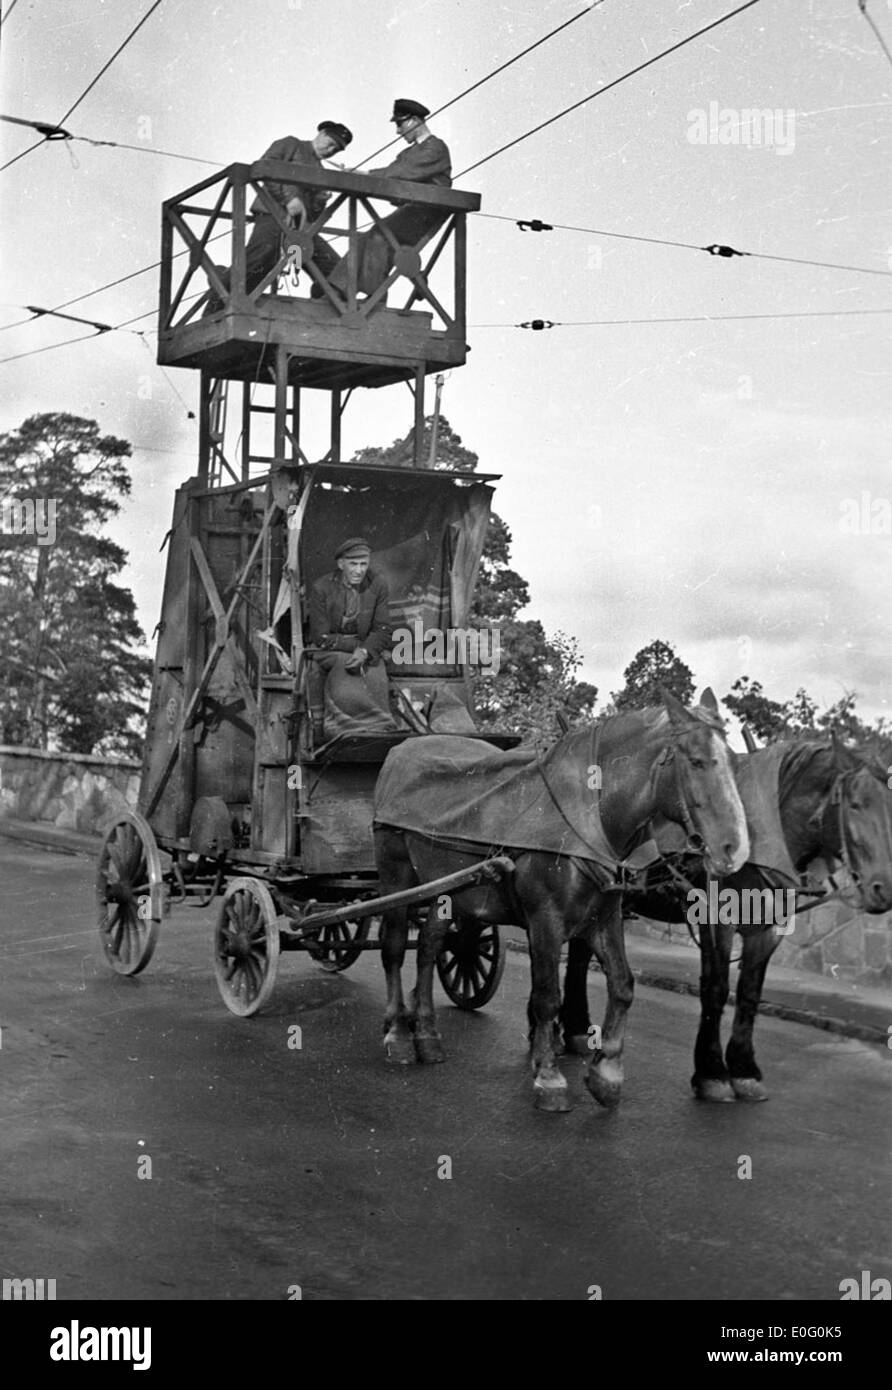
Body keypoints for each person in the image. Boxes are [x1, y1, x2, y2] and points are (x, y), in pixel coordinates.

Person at [204, 120, 352, 313]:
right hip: (272, 215)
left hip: (300, 231)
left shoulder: (321, 171)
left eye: (337, 149)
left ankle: (323, 310)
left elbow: (313, 215)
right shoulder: (291, 144)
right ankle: (215, 307)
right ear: (322, 133)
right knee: (257, 261)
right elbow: (264, 168)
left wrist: (320, 201)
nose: (331, 150)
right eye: (331, 143)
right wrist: (290, 199)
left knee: (334, 267)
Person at [327, 99, 451, 299]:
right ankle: (337, 287)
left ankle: (374, 296)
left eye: (399, 124)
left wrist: (364, 174)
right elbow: (394, 176)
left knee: (379, 235)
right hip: (411, 210)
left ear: (413, 121)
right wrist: (362, 174)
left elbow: (400, 173)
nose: (398, 131)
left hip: (426, 213)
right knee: (368, 237)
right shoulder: (409, 152)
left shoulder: (435, 148)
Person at [307, 537, 397, 741]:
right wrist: (359, 647)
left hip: (363, 649)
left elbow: (382, 628)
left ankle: (377, 728)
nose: (359, 570)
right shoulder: (321, 588)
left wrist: (365, 651)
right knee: (342, 663)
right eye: (353, 564)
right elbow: (321, 636)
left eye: (363, 564)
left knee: (376, 666)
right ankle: (340, 728)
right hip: (329, 648)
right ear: (341, 564)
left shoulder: (378, 584)